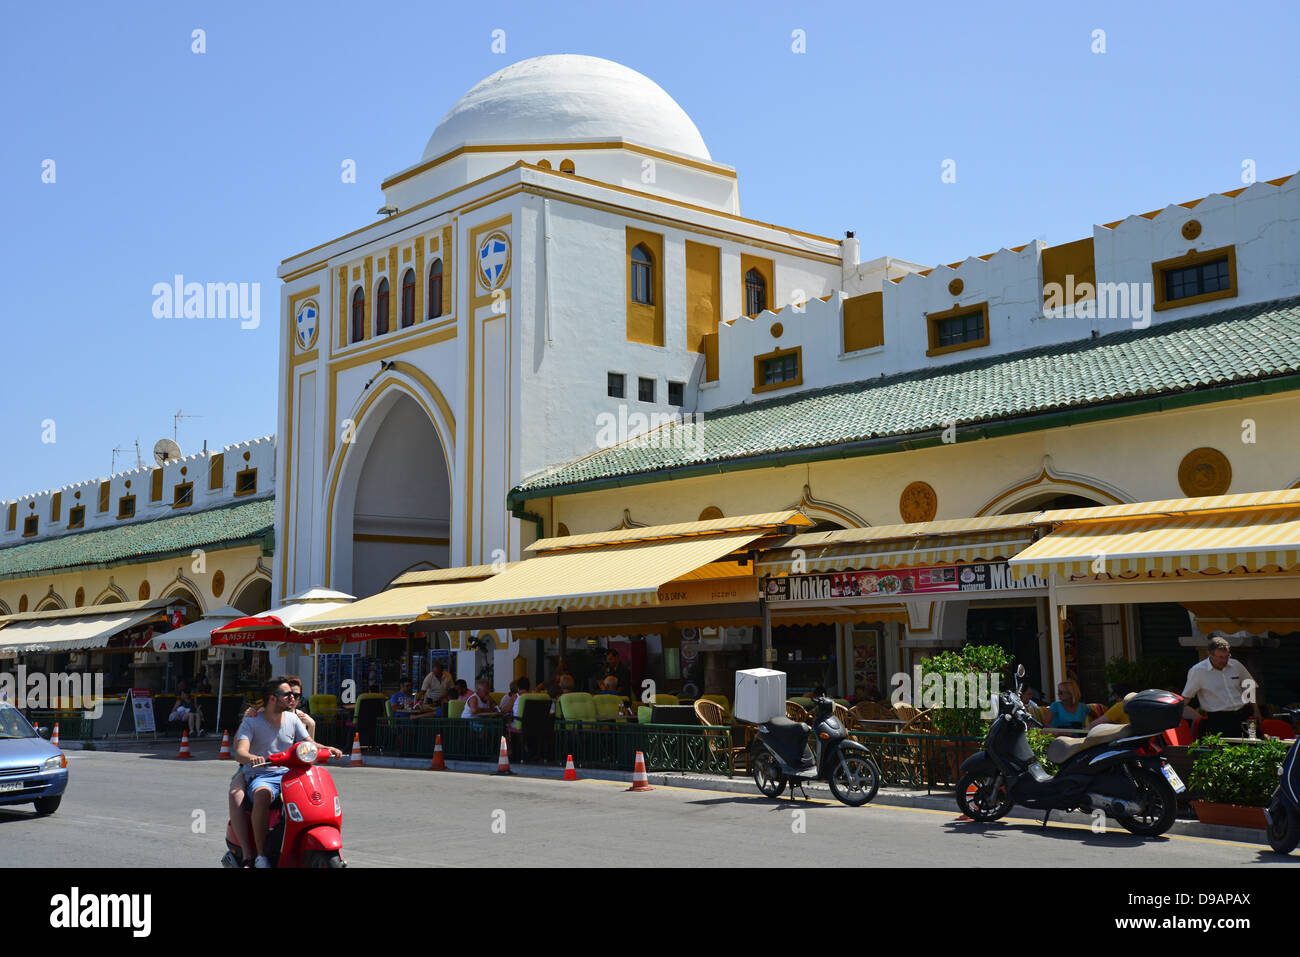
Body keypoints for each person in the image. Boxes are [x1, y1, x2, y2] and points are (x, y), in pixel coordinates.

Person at [231, 677, 342, 868]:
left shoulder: (292, 719)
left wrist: (328, 748)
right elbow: (240, 751)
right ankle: (260, 855)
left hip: (288, 773)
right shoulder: (252, 721)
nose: (292, 697)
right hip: (262, 774)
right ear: (273, 698)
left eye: (294, 694)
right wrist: (251, 758)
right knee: (262, 795)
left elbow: (308, 743)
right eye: (287, 694)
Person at [1183, 636, 1264, 738]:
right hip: (1219, 720)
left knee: (1256, 746)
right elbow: (1186, 697)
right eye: (1221, 657)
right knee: (1226, 751)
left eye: (1227, 656)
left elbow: (1249, 686)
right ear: (1210, 654)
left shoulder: (1235, 664)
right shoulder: (1197, 671)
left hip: (1243, 715)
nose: (1224, 661)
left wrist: (1256, 710)